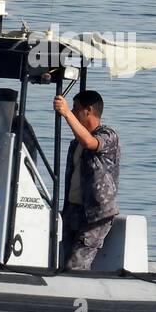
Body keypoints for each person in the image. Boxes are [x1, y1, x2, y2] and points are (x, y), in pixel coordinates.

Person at [53, 89, 120, 271]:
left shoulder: (108, 135)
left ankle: (78, 295)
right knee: (62, 261)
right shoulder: (76, 143)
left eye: (76, 109)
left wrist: (66, 113)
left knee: (75, 265)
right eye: (72, 109)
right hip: (73, 209)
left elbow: (91, 143)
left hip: (96, 214)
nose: (73, 112)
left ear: (88, 110)